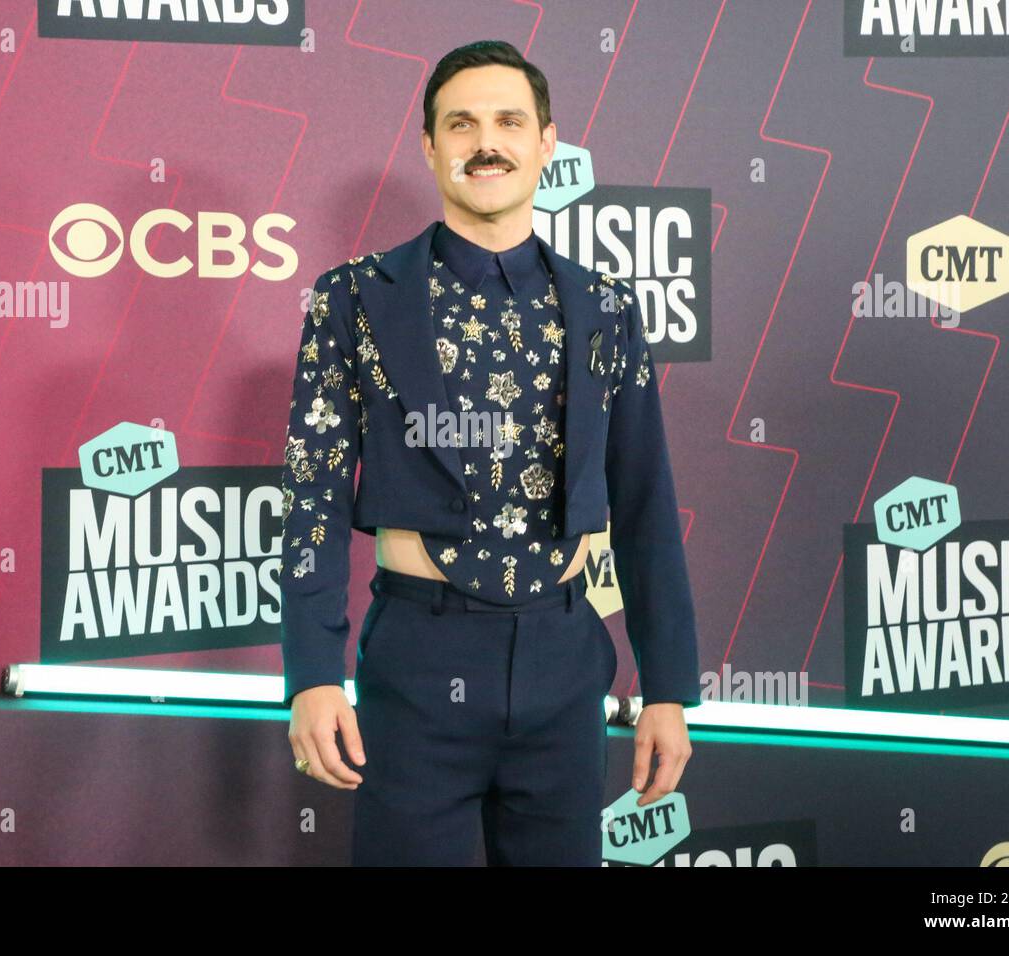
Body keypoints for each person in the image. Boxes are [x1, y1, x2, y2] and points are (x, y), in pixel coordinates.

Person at [278, 40, 699, 865]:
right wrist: (311, 673)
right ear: (430, 146)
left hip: (567, 662)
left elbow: (647, 505)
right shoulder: (353, 299)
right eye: (460, 123)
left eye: (509, 121)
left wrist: (669, 689)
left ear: (548, 142)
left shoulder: (608, 308)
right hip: (416, 663)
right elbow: (312, 498)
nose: (486, 142)